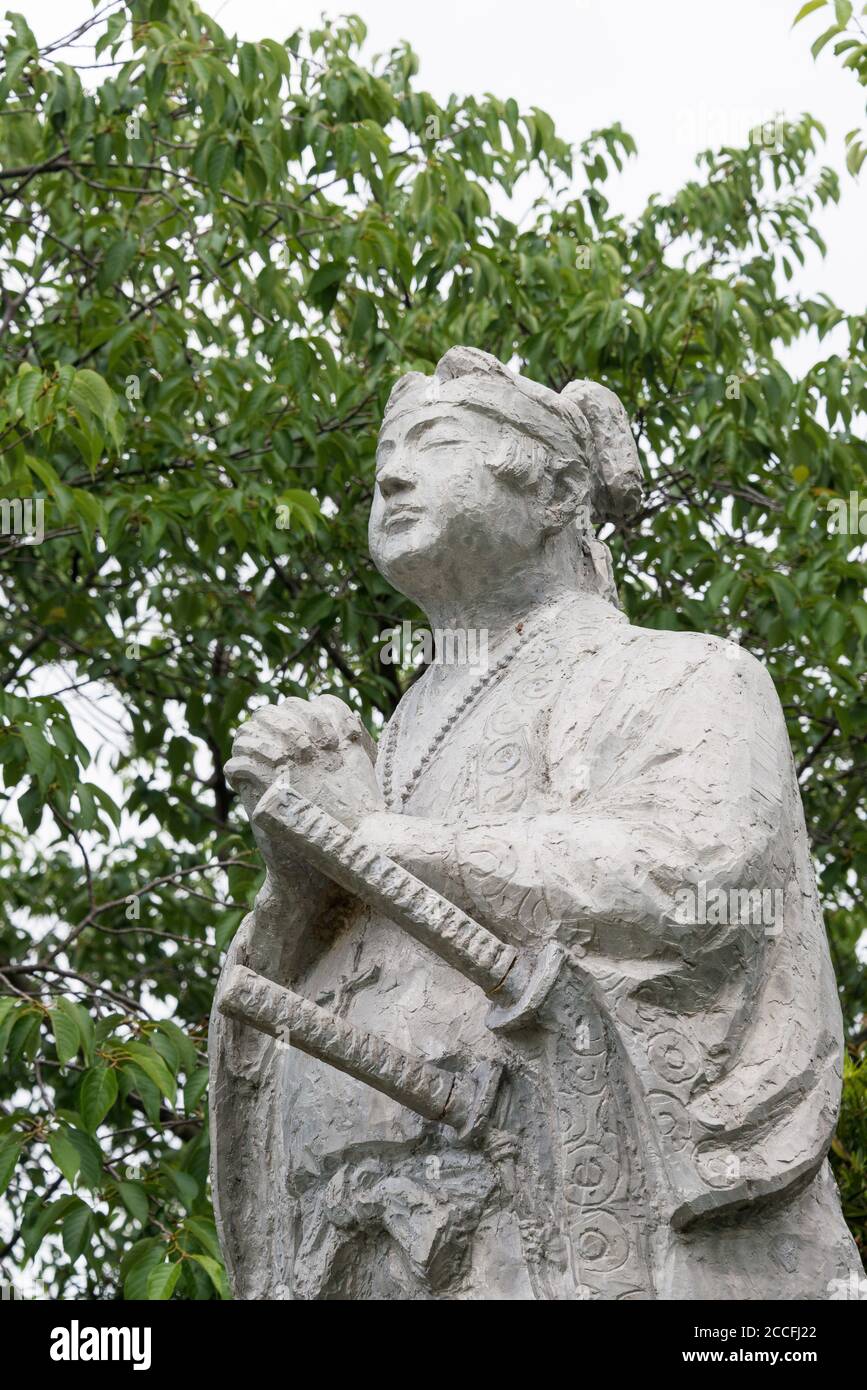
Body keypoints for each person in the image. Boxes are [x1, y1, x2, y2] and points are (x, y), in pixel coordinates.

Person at [210, 346, 862, 1300]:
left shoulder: (685, 675)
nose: (390, 474)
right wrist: (301, 879)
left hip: (542, 1220)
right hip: (348, 1250)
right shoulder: (390, 746)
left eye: (436, 444)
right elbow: (290, 1000)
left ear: (556, 492)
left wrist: (376, 843)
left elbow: (694, 878)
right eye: (388, 451)